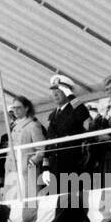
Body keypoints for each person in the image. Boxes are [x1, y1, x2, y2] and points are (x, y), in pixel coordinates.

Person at [43, 73, 91, 208]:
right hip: (54, 167)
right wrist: (45, 167)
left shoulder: (76, 108)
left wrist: (72, 97)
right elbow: (49, 142)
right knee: (56, 205)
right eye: (53, 91)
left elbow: (84, 114)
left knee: (73, 205)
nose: (55, 94)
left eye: (59, 91)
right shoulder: (52, 115)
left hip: (72, 165)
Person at [2, 96, 47, 199]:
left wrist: (30, 162)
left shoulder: (33, 125)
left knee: (28, 204)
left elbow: (41, 149)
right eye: (14, 108)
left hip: (26, 172)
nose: (15, 110)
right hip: (12, 172)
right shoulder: (13, 126)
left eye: (19, 107)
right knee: (13, 207)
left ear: (26, 108)